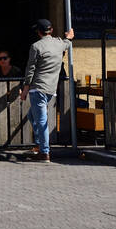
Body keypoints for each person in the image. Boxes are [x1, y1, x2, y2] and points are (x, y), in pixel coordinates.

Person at [18, 19, 74, 162]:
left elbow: (30, 70)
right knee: (32, 116)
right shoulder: (59, 44)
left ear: (38, 32)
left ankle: (44, 152)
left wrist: (25, 90)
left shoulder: (36, 46)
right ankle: (39, 145)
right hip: (50, 89)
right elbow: (68, 43)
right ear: (51, 30)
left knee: (42, 122)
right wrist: (69, 37)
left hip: (38, 88)